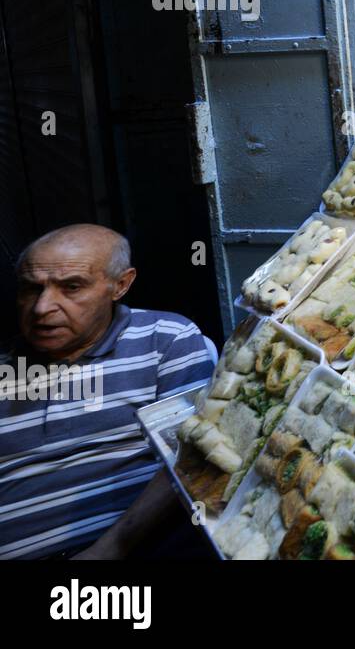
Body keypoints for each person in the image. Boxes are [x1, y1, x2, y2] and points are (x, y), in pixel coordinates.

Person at [0, 224, 215, 559]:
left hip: (144, 546)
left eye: (71, 287)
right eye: (31, 289)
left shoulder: (163, 339)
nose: (42, 308)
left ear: (121, 284)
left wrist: (110, 548)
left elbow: (192, 456)